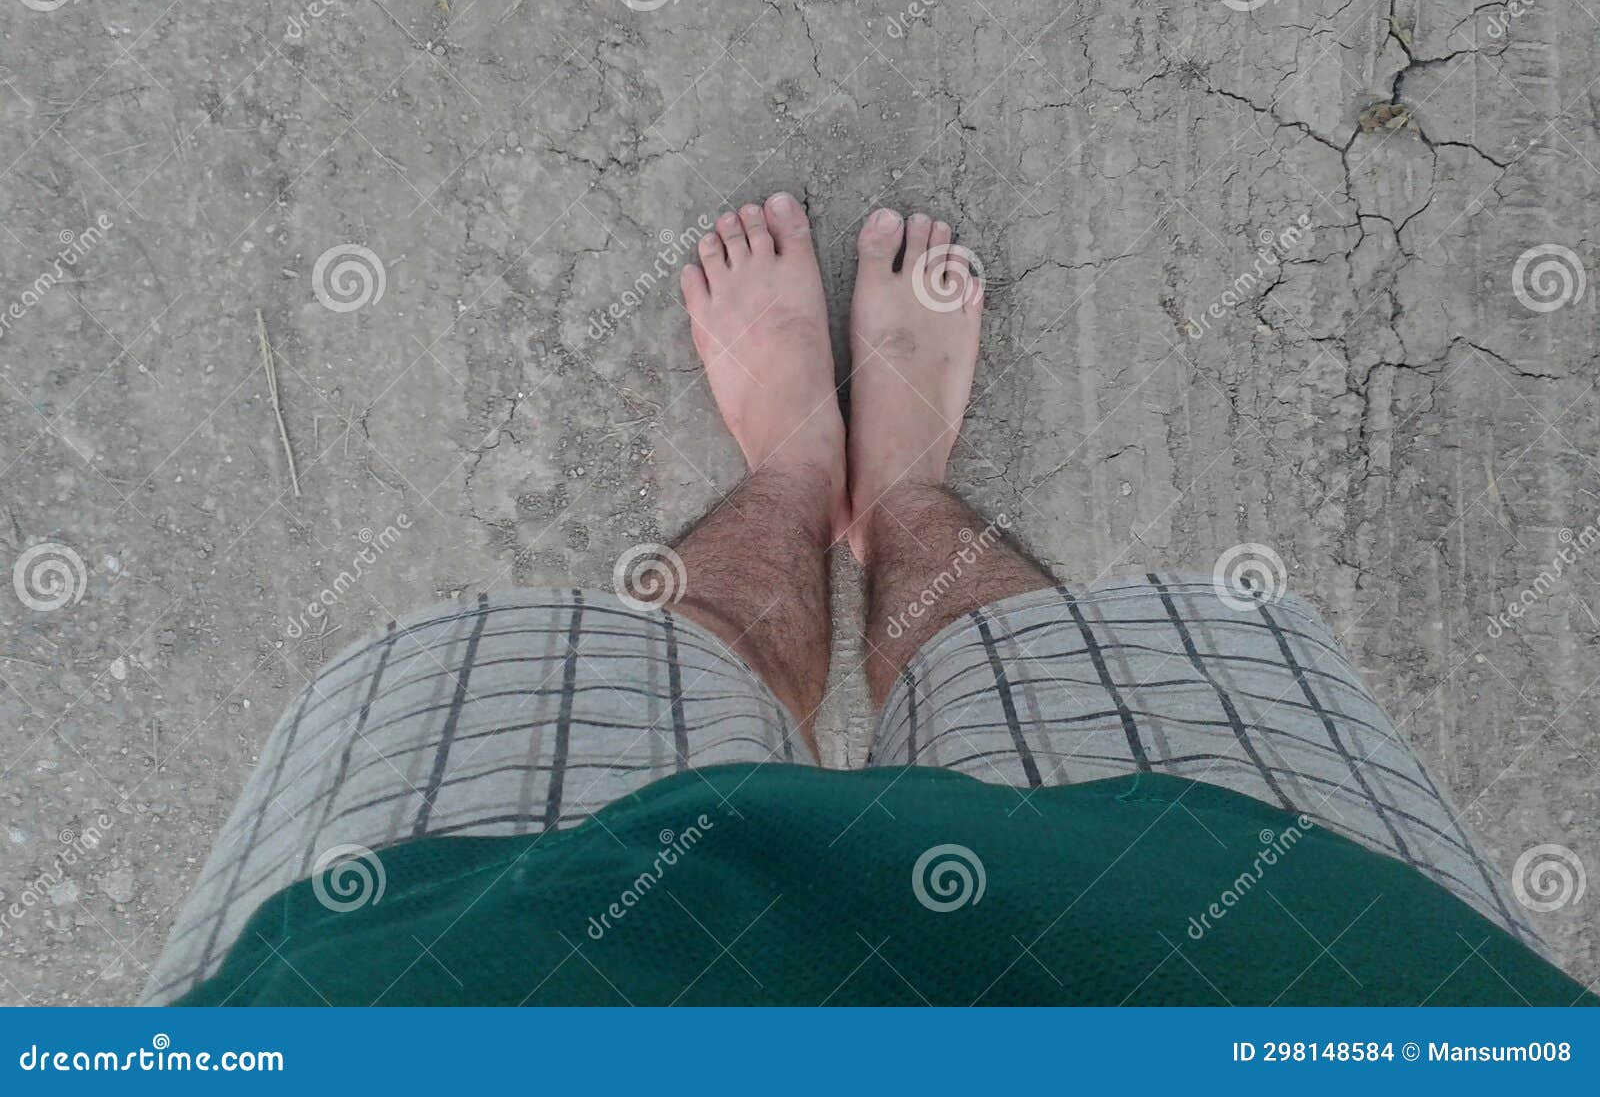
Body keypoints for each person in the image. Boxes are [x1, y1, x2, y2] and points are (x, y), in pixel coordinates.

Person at [145, 195, 1591, 1006]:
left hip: (443, 984)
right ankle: (887, 485)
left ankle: (806, 471)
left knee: (660, 674)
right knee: (1037, 673)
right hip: (1266, 984)